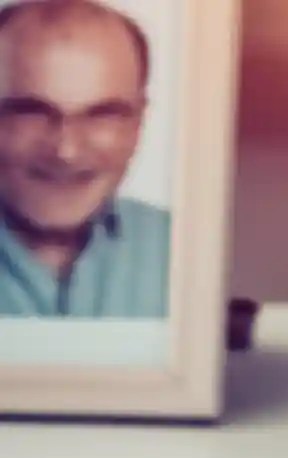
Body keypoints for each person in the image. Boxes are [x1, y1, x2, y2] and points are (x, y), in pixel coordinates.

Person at [0, 0, 168, 319]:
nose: (66, 152)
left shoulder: (191, 252)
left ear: (138, 123)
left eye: (102, 115)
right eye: (32, 113)